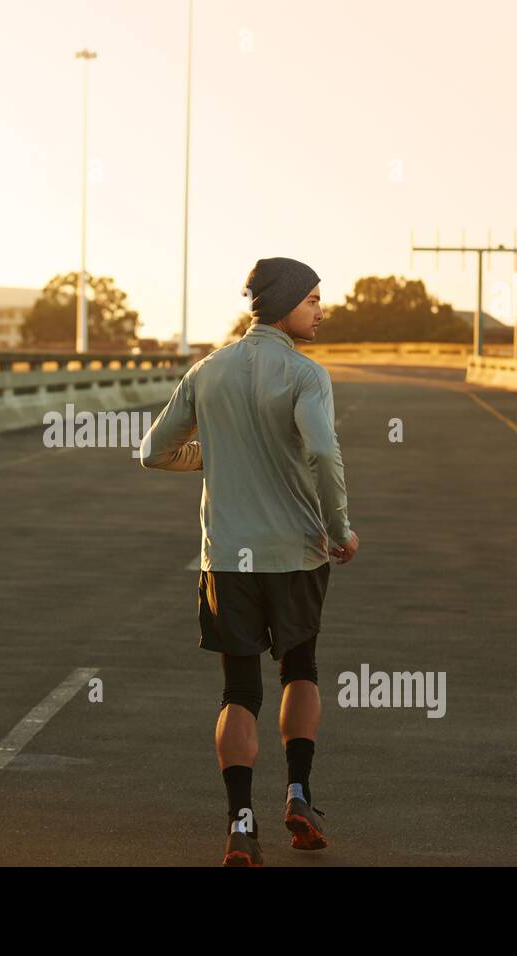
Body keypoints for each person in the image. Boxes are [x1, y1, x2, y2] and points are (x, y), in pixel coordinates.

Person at [139, 256, 360, 867]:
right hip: (296, 553)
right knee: (301, 670)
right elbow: (322, 452)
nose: (321, 309)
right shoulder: (306, 374)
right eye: (313, 299)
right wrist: (340, 529)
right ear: (285, 303)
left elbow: (153, 453)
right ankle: (298, 794)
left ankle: (241, 825)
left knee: (239, 689)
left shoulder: (207, 370)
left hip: (226, 560)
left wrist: (219, 455)